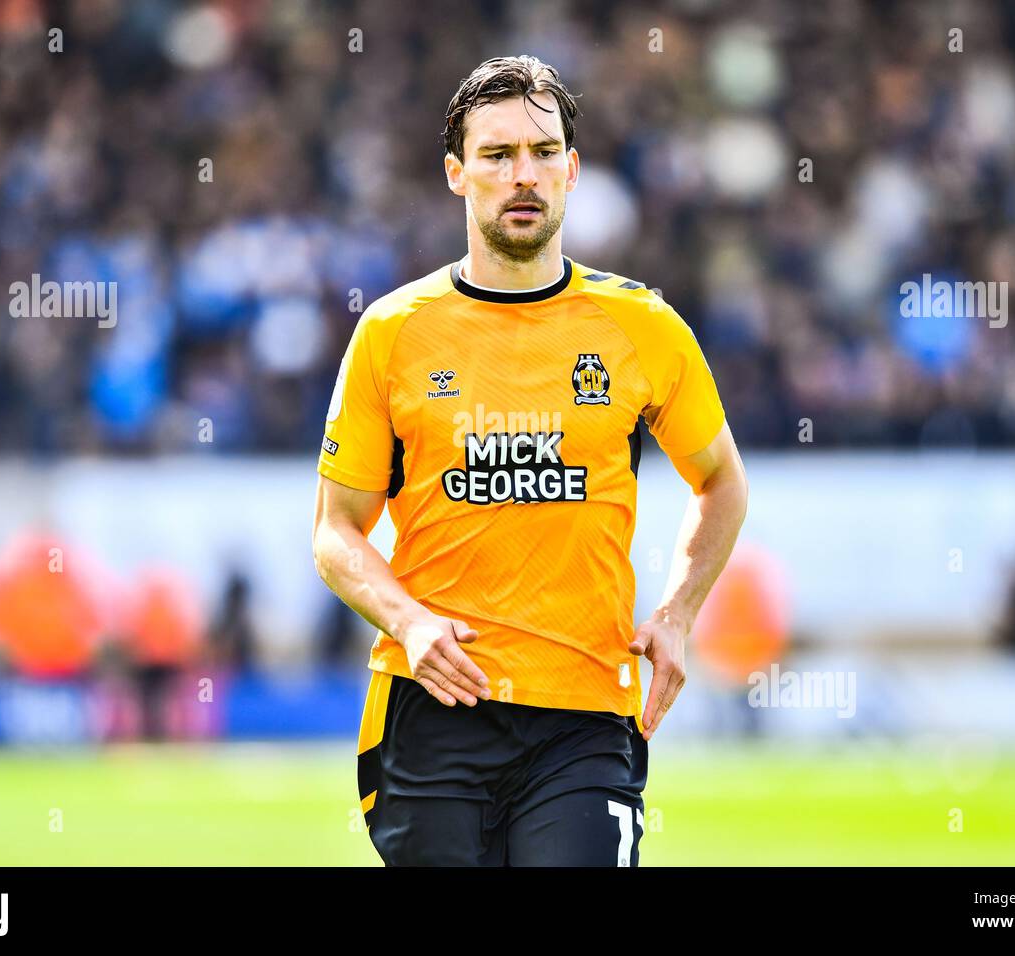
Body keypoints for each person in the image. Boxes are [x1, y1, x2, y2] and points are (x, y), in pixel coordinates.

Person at [311, 55, 748, 866]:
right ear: (456, 174)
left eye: (544, 153)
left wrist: (680, 610)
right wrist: (407, 621)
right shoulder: (391, 332)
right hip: (436, 709)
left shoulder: (641, 325)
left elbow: (720, 480)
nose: (524, 175)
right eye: (497, 154)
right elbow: (337, 531)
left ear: (572, 171)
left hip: (585, 720)